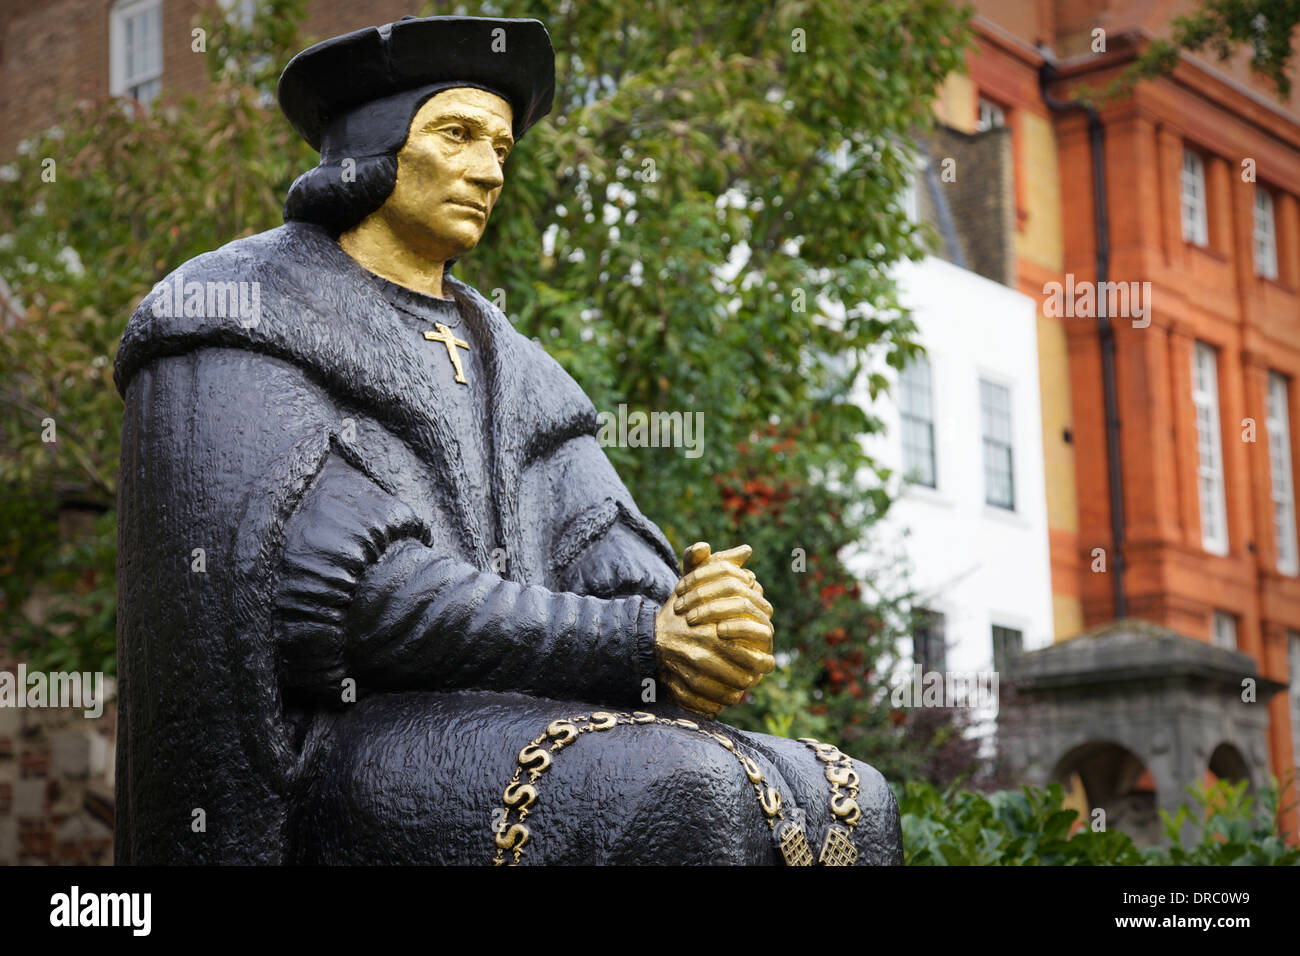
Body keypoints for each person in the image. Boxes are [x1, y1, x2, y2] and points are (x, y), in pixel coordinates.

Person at [112, 14, 900, 865]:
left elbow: (604, 542)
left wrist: (702, 617)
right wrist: (637, 641)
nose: (489, 170)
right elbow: (349, 597)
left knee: (848, 794)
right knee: (684, 791)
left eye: (501, 147)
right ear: (374, 145)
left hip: (517, 717)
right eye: (457, 134)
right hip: (339, 751)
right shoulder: (241, 307)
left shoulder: (516, 364)